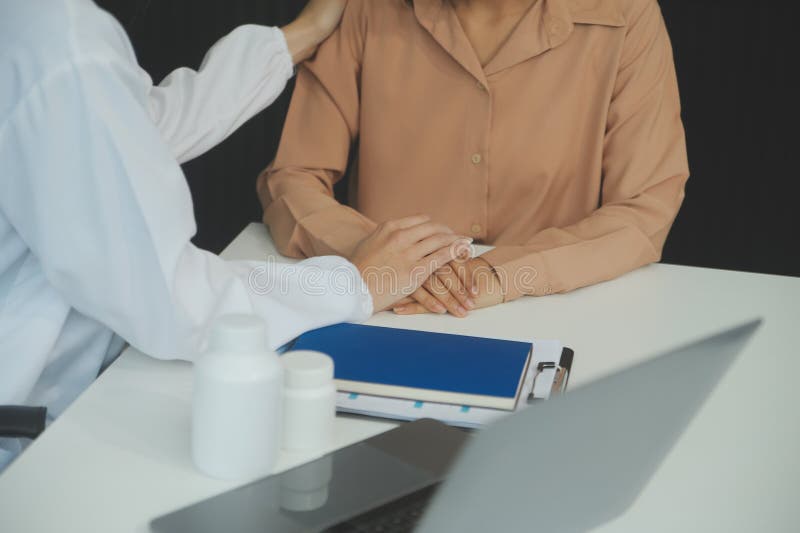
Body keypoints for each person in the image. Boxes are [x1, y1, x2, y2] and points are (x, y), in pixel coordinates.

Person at [0, 0, 470, 470]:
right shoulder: (59, 43)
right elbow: (170, 298)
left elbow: (131, 127)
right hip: (31, 432)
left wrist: (299, 36)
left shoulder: (35, 28)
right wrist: (351, 284)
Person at [259, 0, 690, 317]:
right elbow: (292, 176)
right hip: (385, 311)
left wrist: (499, 275)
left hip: (554, 312)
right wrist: (378, 257)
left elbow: (645, 209)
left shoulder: (625, 14)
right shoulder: (368, 7)